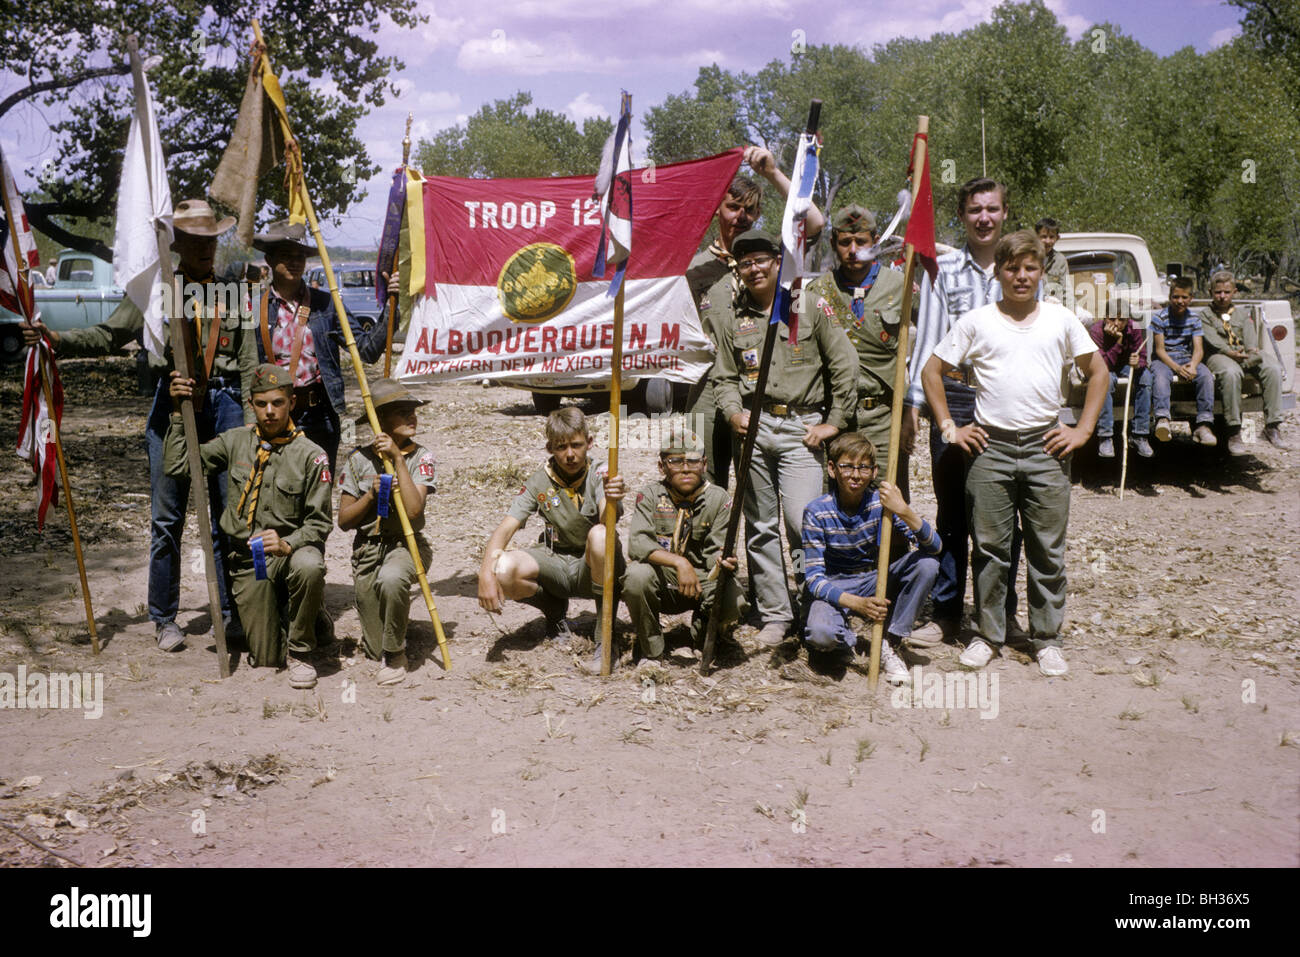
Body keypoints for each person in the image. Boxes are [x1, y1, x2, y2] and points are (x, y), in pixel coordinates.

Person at [22, 199, 255, 653]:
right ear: (177, 243)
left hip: (225, 406)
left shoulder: (230, 292)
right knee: (167, 519)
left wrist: (248, 423)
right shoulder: (155, 293)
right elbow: (108, 335)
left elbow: (247, 360)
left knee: (230, 516)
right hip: (174, 407)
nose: (205, 249)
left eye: (211, 240)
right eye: (194, 241)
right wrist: (54, 338)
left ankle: (232, 615)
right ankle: (165, 618)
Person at [921, 231, 1108, 677]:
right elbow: (932, 370)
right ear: (999, 272)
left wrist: (1082, 430)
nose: (1021, 276)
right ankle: (988, 635)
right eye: (1012, 268)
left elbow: (1098, 370)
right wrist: (950, 427)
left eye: (1030, 268)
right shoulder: (978, 321)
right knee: (990, 548)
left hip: (1046, 446)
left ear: (1042, 272)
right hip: (991, 449)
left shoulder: (1061, 319)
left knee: (1047, 549)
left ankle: (1046, 638)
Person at [711, 229, 857, 648]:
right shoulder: (734, 318)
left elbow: (845, 364)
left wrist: (835, 421)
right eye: (745, 263)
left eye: (761, 260)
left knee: (802, 520)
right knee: (759, 525)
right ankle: (776, 613)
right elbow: (723, 375)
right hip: (753, 430)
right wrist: (732, 412)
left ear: (778, 262)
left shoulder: (806, 305)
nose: (754, 268)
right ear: (739, 271)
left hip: (800, 429)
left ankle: (817, 602)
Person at [902, 177, 1025, 643]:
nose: (984, 218)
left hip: (1005, 402)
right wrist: (917, 404)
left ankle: (1000, 614)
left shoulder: (1021, 267)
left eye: (992, 209)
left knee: (999, 513)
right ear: (963, 216)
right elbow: (930, 339)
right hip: (953, 396)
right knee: (952, 512)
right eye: (975, 210)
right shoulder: (945, 270)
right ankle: (947, 614)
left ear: (1005, 212)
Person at [164, 363, 331, 688]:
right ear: (251, 404)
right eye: (261, 403)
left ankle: (300, 650)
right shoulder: (235, 442)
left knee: (309, 565)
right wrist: (175, 414)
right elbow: (179, 465)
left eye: (278, 403)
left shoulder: (312, 456)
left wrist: (289, 544)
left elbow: (320, 523)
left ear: (291, 403)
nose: (269, 412)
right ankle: (299, 617)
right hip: (250, 560)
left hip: (290, 552)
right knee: (266, 657)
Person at [686, 147, 825, 488]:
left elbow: (815, 222)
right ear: (718, 208)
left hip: (760, 381)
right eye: (733, 207)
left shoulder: (771, 259)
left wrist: (773, 173)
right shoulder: (694, 269)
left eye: (750, 209)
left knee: (755, 484)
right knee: (700, 476)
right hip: (708, 381)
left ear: (759, 213)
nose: (740, 216)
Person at [477, 407, 625, 660]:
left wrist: (612, 498)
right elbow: (506, 528)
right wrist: (485, 574)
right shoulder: (539, 480)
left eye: (576, 445)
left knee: (600, 535)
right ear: (550, 448)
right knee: (502, 568)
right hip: (555, 561)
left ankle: (605, 634)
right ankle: (553, 610)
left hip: (592, 565)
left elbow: (606, 522)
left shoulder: (602, 473)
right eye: (561, 447)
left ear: (589, 443)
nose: (569, 455)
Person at [801, 433, 941, 684]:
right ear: (832, 469)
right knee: (821, 636)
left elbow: (935, 547)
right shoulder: (816, 511)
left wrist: (904, 510)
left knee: (927, 564)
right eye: (847, 466)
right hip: (836, 585)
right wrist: (856, 604)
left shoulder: (881, 503)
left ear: (874, 471)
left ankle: (891, 641)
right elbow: (813, 579)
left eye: (863, 468)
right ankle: (847, 639)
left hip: (873, 579)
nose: (855, 475)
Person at [252, 221, 387, 472]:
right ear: (269, 260)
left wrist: (391, 305)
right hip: (274, 416)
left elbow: (367, 351)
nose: (294, 262)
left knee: (319, 493)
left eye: (299, 256)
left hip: (320, 415)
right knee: (276, 493)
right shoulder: (255, 307)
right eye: (285, 256)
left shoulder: (327, 303)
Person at [802, 205, 910, 488]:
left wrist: (912, 411)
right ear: (833, 244)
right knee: (836, 502)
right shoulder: (818, 291)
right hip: (836, 418)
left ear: (875, 241)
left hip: (884, 418)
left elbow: (918, 352)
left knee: (888, 505)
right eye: (844, 242)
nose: (852, 249)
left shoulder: (901, 287)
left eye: (860, 241)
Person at [337, 379, 436, 686]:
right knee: (372, 648)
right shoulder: (357, 460)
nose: (412, 417)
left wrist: (398, 460)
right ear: (380, 422)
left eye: (413, 411)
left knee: (392, 579)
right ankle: (392, 631)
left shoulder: (422, 457)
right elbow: (343, 521)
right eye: (402, 412)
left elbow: (414, 513)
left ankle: (396, 655)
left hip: (406, 545)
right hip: (367, 550)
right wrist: (369, 496)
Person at [623, 427, 742, 663]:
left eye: (693, 461)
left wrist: (724, 562)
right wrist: (679, 562)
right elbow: (637, 545)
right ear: (662, 467)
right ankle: (651, 649)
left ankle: (702, 632)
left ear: (704, 464)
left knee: (734, 597)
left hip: (702, 580)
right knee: (635, 576)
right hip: (663, 578)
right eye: (675, 462)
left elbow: (716, 554)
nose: (685, 469)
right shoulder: (650, 496)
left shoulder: (719, 499)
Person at [1199, 270, 1289, 453]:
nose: (1222, 296)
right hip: (1220, 354)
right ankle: (1234, 430)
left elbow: (1250, 338)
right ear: (1211, 292)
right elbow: (1212, 340)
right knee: (1232, 373)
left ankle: (1272, 426)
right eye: (1218, 292)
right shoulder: (1205, 315)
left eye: (1226, 292)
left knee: (1272, 368)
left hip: (1242, 354)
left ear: (1234, 292)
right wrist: (1231, 353)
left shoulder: (1241, 314)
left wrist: (1250, 352)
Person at [1150, 276, 1216, 446]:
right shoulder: (1160, 318)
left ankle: (1203, 424)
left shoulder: (1194, 319)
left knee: (1206, 375)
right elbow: (1160, 350)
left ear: (1191, 298)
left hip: (1186, 357)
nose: (1180, 301)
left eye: (1184, 297)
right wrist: (1178, 369)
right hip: (1164, 359)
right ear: (1170, 297)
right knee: (1160, 377)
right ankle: (1162, 418)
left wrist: (1193, 365)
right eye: (1176, 297)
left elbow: (1198, 349)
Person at [1087, 307, 1154, 459]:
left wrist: (1138, 363)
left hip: (1125, 365)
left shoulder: (1134, 327)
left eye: (1122, 320)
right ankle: (1105, 436)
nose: (1117, 323)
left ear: (1128, 320)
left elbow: (1142, 356)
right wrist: (1118, 341)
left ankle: (1140, 434)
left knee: (1145, 377)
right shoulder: (1096, 331)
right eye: (1112, 318)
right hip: (1106, 366)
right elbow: (1103, 366)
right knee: (1106, 380)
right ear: (1105, 318)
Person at [1035, 217, 1074, 312]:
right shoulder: (1029, 258)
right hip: (1036, 304)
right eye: (1044, 237)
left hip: (1057, 304)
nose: (1048, 241)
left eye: (1051, 237)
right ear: (1036, 236)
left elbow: (1067, 289)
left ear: (1057, 238)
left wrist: (1071, 312)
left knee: (1086, 317)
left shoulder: (1060, 260)